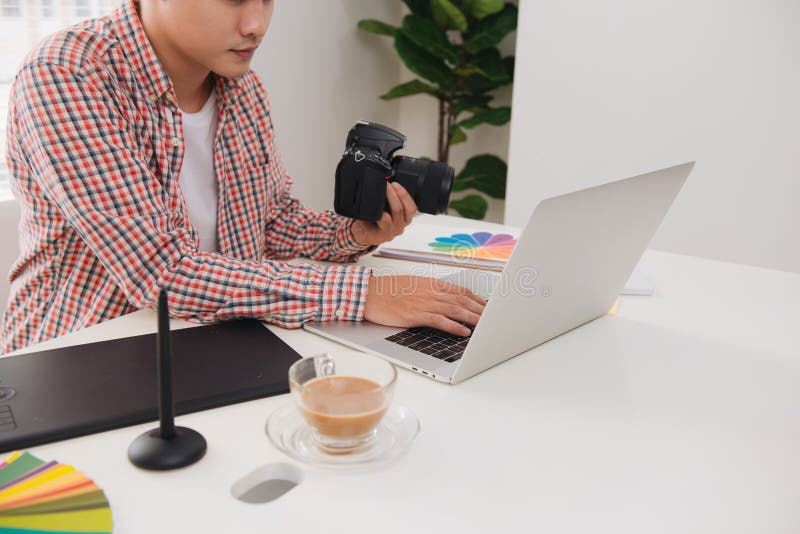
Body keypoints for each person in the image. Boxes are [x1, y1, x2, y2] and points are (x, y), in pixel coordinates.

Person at [1, 0, 485, 354]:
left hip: (211, 340)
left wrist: (355, 233)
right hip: (73, 357)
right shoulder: (68, 75)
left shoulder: (242, 88)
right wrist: (365, 294)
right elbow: (161, 274)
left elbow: (271, 222)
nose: (256, 24)